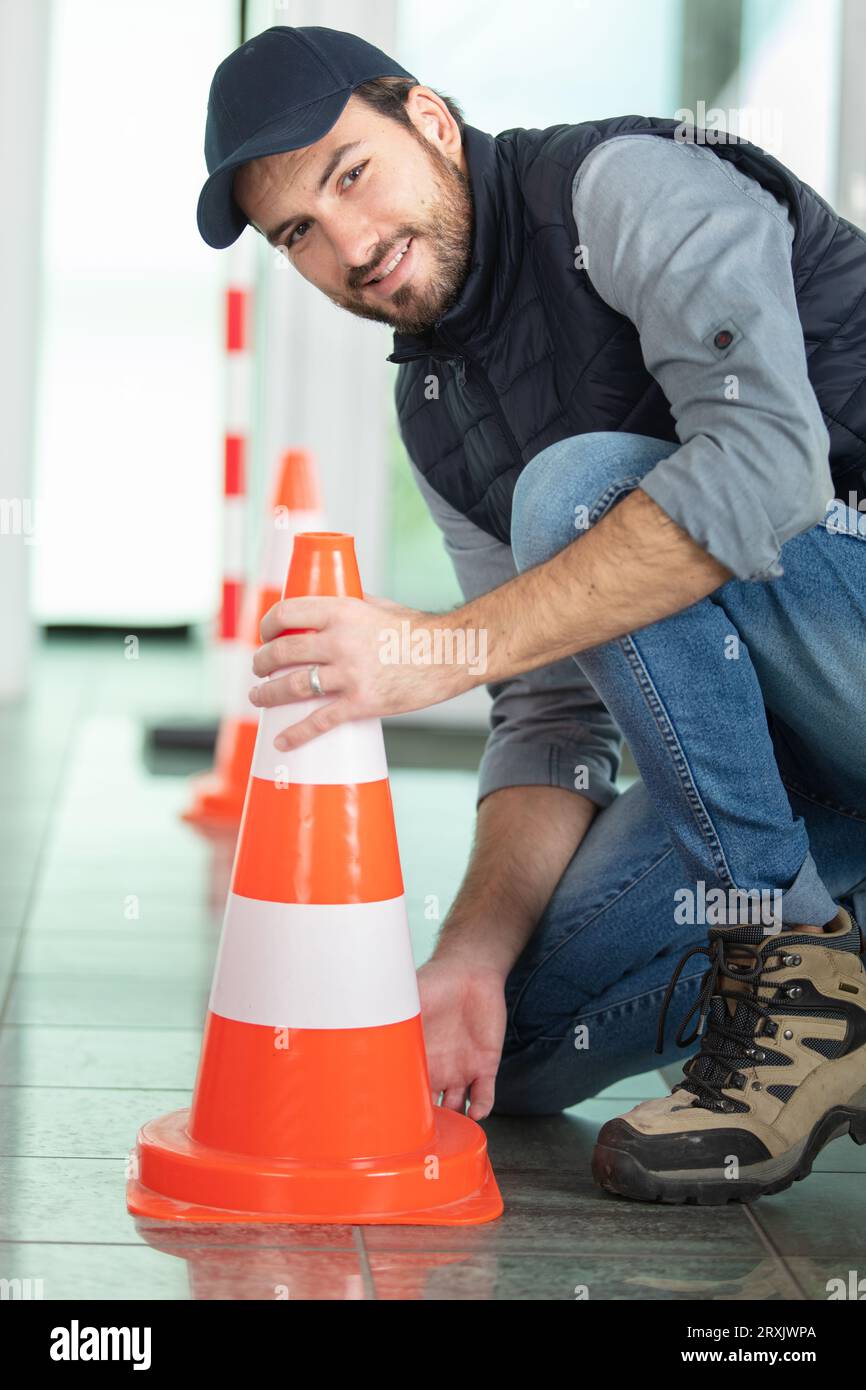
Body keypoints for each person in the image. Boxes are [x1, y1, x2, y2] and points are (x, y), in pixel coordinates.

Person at [197, 25, 866, 1204]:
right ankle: (824, 959)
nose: (347, 244)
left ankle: (794, 973)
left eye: (350, 172)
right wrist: (468, 950)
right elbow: (552, 706)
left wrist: (440, 651)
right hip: (801, 764)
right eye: (295, 231)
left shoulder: (626, 190)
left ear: (432, 123)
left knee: (580, 492)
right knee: (511, 1042)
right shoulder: (435, 409)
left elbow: (766, 468)